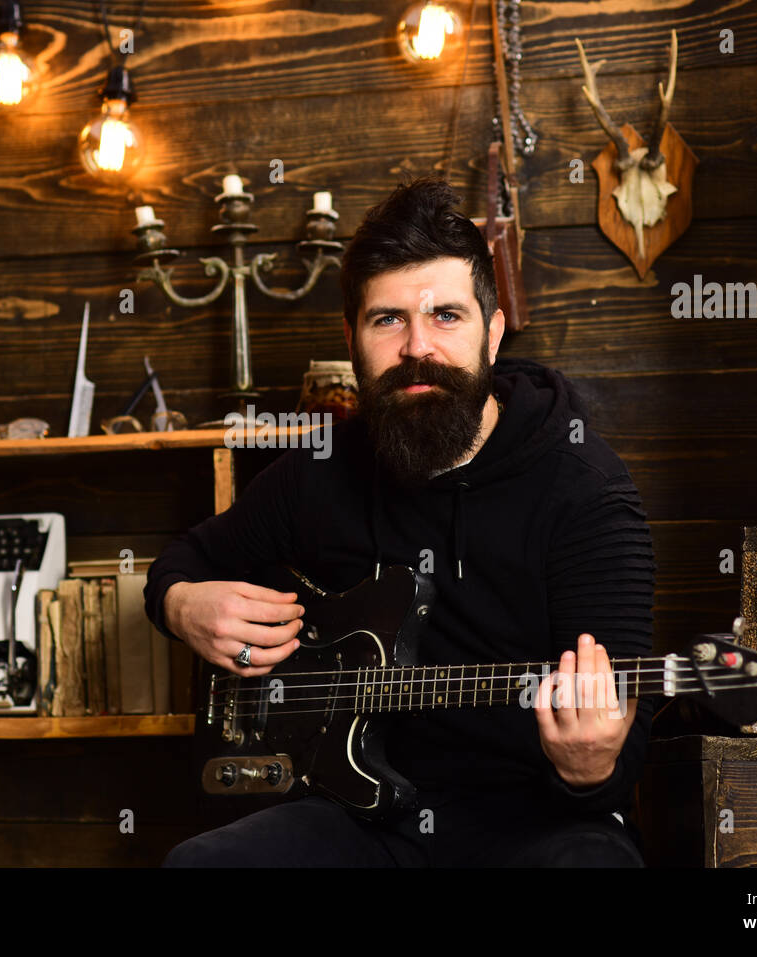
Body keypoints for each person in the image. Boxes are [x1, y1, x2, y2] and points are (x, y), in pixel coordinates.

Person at [143, 175, 656, 867]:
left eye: (446, 316)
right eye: (388, 320)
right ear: (351, 338)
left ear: (492, 334)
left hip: (536, 822)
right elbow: (181, 564)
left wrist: (589, 767)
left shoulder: (585, 491)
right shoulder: (318, 471)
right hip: (359, 815)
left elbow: (624, 755)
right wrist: (182, 605)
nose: (418, 347)